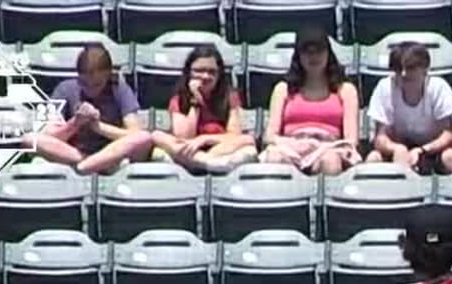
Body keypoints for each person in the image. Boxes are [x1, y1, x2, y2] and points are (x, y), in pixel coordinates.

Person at [27, 43, 154, 174]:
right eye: (84, 84)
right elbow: (49, 134)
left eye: (97, 84)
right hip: (74, 152)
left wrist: (98, 127)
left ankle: (88, 165)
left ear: (108, 75)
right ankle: (93, 164)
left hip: (112, 152)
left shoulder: (120, 89)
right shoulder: (64, 89)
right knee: (30, 140)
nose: (91, 89)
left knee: (144, 138)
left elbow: (135, 133)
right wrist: (75, 123)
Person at [261, 26, 361, 176]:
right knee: (275, 158)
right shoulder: (283, 89)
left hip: (329, 148)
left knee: (331, 162)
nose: (313, 57)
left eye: (319, 50)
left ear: (328, 53)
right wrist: (294, 144)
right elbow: (269, 136)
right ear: (298, 56)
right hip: (291, 147)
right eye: (307, 51)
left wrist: (319, 147)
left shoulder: (346, 90)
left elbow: (351, 139)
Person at [149, 44, 257, 174]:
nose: (205, 76)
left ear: (219, 75)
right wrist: (195, 100)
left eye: (212, 72)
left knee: (248, 141)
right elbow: (184, 137)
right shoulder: (178, 100)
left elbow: (234, 135)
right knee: (157, 136)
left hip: (220, 149)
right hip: (191, 150)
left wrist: (204, 139)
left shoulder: (229, 97)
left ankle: (203, 163)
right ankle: (210, 164)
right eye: (199, 70)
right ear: (189, 72)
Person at [364, 42, 452, 175]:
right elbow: (380, 138)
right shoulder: (384, 88)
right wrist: (397, 149)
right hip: (396, 149)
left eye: (410, 68)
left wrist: (423, 150)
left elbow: (448, 135)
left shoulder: (438, 87)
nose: (404, 74)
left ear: (425, 68)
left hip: (432, 150)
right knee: (373, 159)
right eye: (399, 69)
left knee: (451, 157)